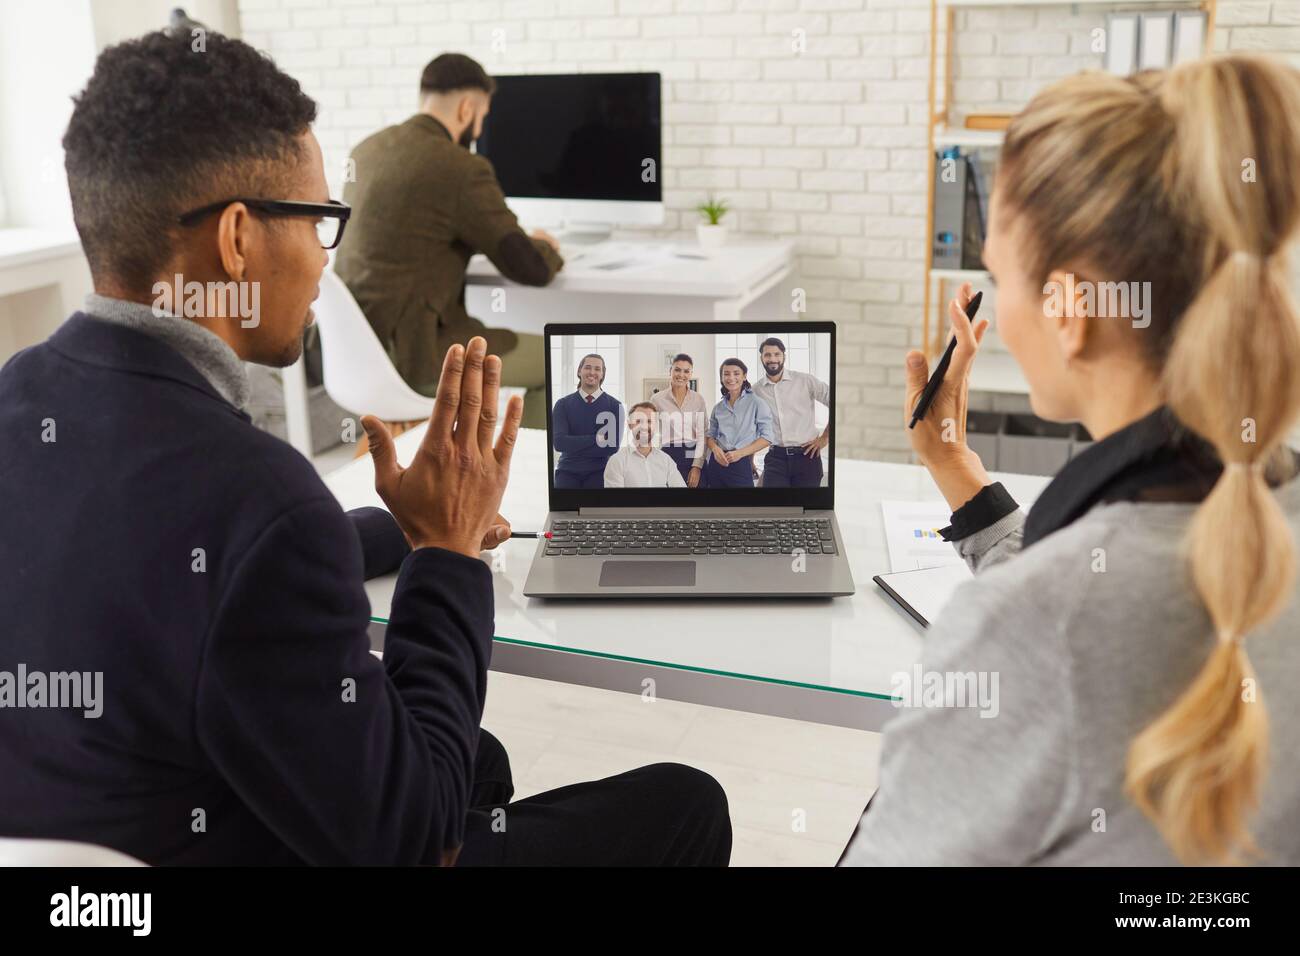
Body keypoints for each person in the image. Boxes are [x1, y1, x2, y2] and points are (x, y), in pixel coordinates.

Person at [0, 30, 730, 867]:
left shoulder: (20, 398)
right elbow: (410, 838)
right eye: (319, 221)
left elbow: (189, 568)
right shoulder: (261, 497)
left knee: (479, 762)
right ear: (237, 240)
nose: (323, 259)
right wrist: (448, 557)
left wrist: (401, 524)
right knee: (685, 803)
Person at [842, 55, 1300, 866]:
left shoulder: (1032, 629)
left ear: (1071, 309)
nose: (993, 313)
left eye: (995, 280)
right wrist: (960, 475)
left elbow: (1070, 616)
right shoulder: (1266, 504)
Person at [334, 53, 562, 430]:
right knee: (557, 364)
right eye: (483, 114)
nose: (481, 125)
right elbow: (530, 268)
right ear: (468, 107)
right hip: (413, 356)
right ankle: (520, 481)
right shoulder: (460, 167)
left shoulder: (367, 149)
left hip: (354, 354)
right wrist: (547, 246)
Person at [752, 337, 830, 488]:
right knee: (774, 509)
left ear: (784, 356)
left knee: (806, 508)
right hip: (776, 457)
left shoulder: (805, 381)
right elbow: (752, 427)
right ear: (761, 358)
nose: (772, 359)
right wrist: (750, 460)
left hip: (808, 456)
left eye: (776, 354)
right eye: (767, 355)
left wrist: (825, 438)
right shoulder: (756, 390)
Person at [552, 353, 623, 489]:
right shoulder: (562, 404)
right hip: (566, 473)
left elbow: (611, 447)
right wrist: (596, 438)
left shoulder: (615, 406)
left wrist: (573, 444)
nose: (592, 372)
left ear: (602, 374)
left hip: (600, 473)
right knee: (564, 510)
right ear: (579, 371)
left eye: (597, 369)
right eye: (587, 367)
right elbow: (559, 443)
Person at [703, 358, 774, 489]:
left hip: (740, 462)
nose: (731, 378)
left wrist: (740, 453)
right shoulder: (718, 407)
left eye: (736, 373)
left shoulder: (757, 403)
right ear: (721, 378)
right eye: (726, 374)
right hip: (716, 462)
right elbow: (710, 436)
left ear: (744, 376)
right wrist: (715, 449)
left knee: (743, 507)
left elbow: (767, 438)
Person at [650, 353, 708, 487]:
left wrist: (697, 466)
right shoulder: (657, 399)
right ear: (670, 371)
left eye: (686, 371)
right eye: (677, 369)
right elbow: (650, 432)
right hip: (668, 454)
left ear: (691, 374)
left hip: (694, 454)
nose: (681, 375)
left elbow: (703, 434)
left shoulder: (698, 399)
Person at [604, 403, 687, 489]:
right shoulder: (617, 461)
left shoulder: (666, 461)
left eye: (649, 421)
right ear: (630, 425)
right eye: (638, 421)